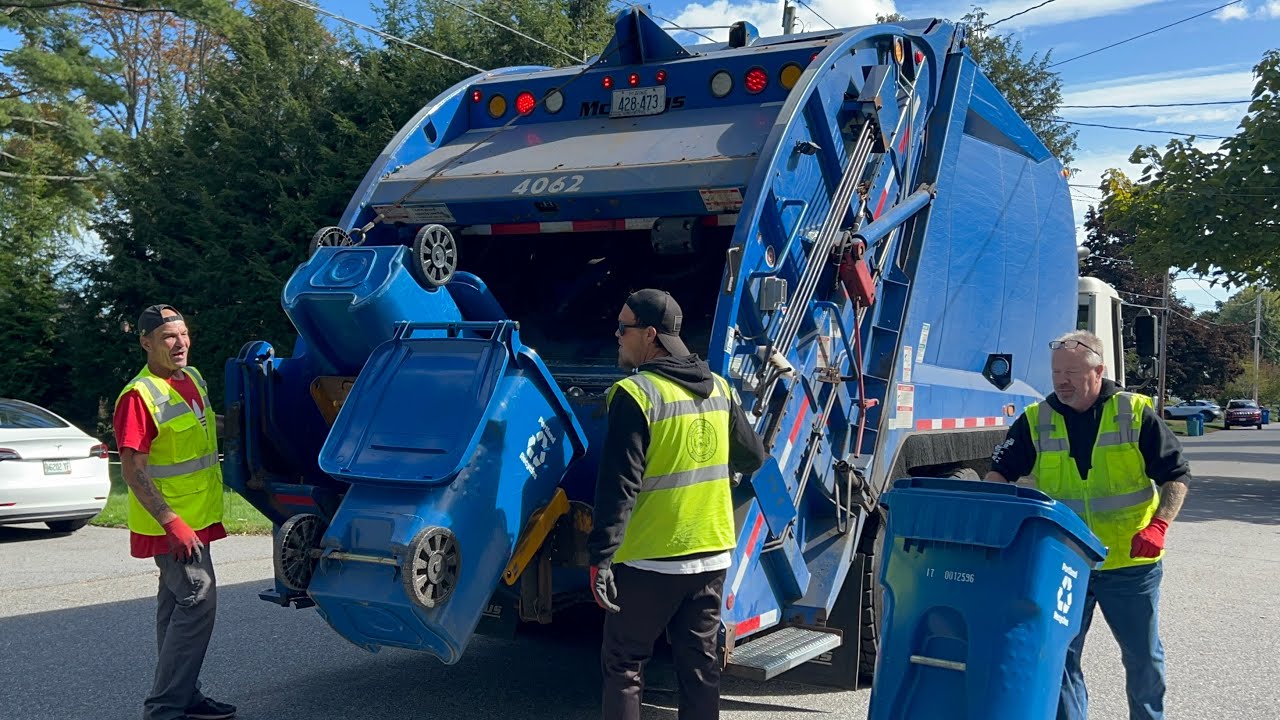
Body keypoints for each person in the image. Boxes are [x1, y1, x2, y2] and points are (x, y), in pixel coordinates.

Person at [985, 330, 1190, 720]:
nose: (1061, 380)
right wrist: (989, 516)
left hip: (1129, 563)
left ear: (1098, 372)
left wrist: (1159, 525)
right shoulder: (1036, 420)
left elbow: (1176, 476)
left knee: (1142, 656)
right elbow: (1000, 474)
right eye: (1056, 371)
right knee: (1059, 655)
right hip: (1064, 563)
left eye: (1072, 372)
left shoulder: (1133, 413)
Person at [589, 289, 767, 720]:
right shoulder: (719, 388)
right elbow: (754, 457)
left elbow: (619, 486)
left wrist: (601, 559)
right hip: (710, 553)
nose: (617, 335)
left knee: (625, 664)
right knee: (700, 665)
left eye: (623, 327)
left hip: (651, 558)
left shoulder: (635, 395)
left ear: (650, 335)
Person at [114, 305, 237, 720]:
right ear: (146, 342)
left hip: (196, 516)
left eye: (183, 334)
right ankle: (165, 708)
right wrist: (171, 521)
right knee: (198, 600)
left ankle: (183, 696)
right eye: (169, 337)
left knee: (176, 604)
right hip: (170, 524)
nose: (180, 343)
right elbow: (132, 468)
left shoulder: (192, 378)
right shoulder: (139, 396)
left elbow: (204, 424)